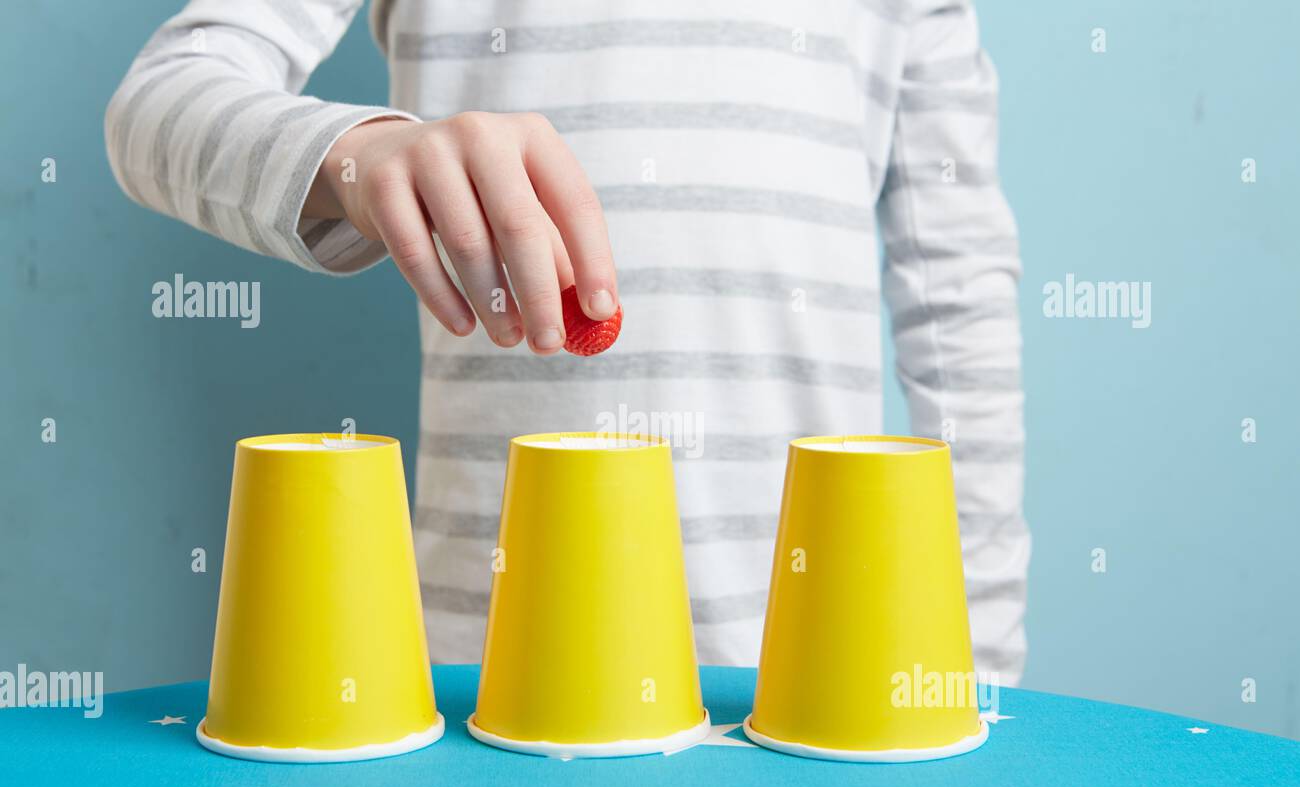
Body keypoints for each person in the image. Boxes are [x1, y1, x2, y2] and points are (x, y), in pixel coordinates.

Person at [105, 0, 1030, 680]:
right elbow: (156, 105)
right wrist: (363, 153)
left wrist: (976, 667)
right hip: (491, 665)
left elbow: (959, 299)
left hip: (822, 668)